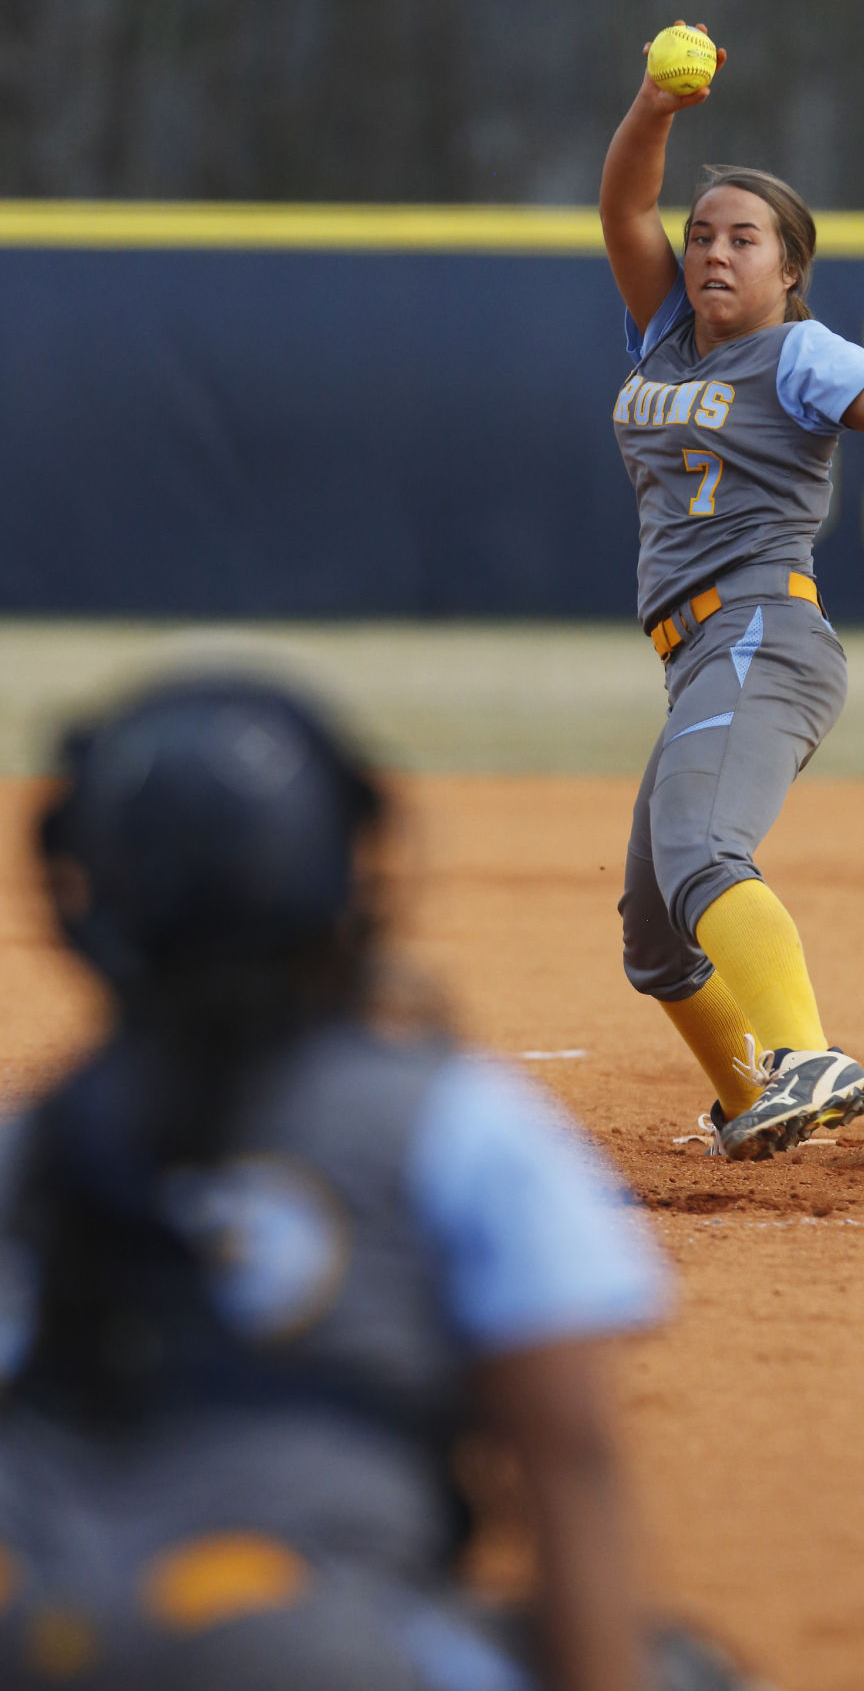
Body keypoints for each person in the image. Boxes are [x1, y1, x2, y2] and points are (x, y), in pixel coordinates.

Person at [0, 671, 761, 1691]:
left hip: (58, 1643)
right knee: (682, 1673)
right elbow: (568, 1460)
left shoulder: (34, 1147)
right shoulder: (449, 1120)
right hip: (323, 1646)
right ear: (350, 873)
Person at [601, 27, 864, 1161]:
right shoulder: (662, 337)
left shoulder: (796, 352)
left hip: (759, 628)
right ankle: (751, 1094)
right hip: (695, 654)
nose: (712, 252)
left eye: (743, 238)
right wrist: (652, 107)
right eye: (701, 234)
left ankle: (808, 1055)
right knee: (654, 934)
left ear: (789, 269)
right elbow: (619, 209)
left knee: (700, 856)